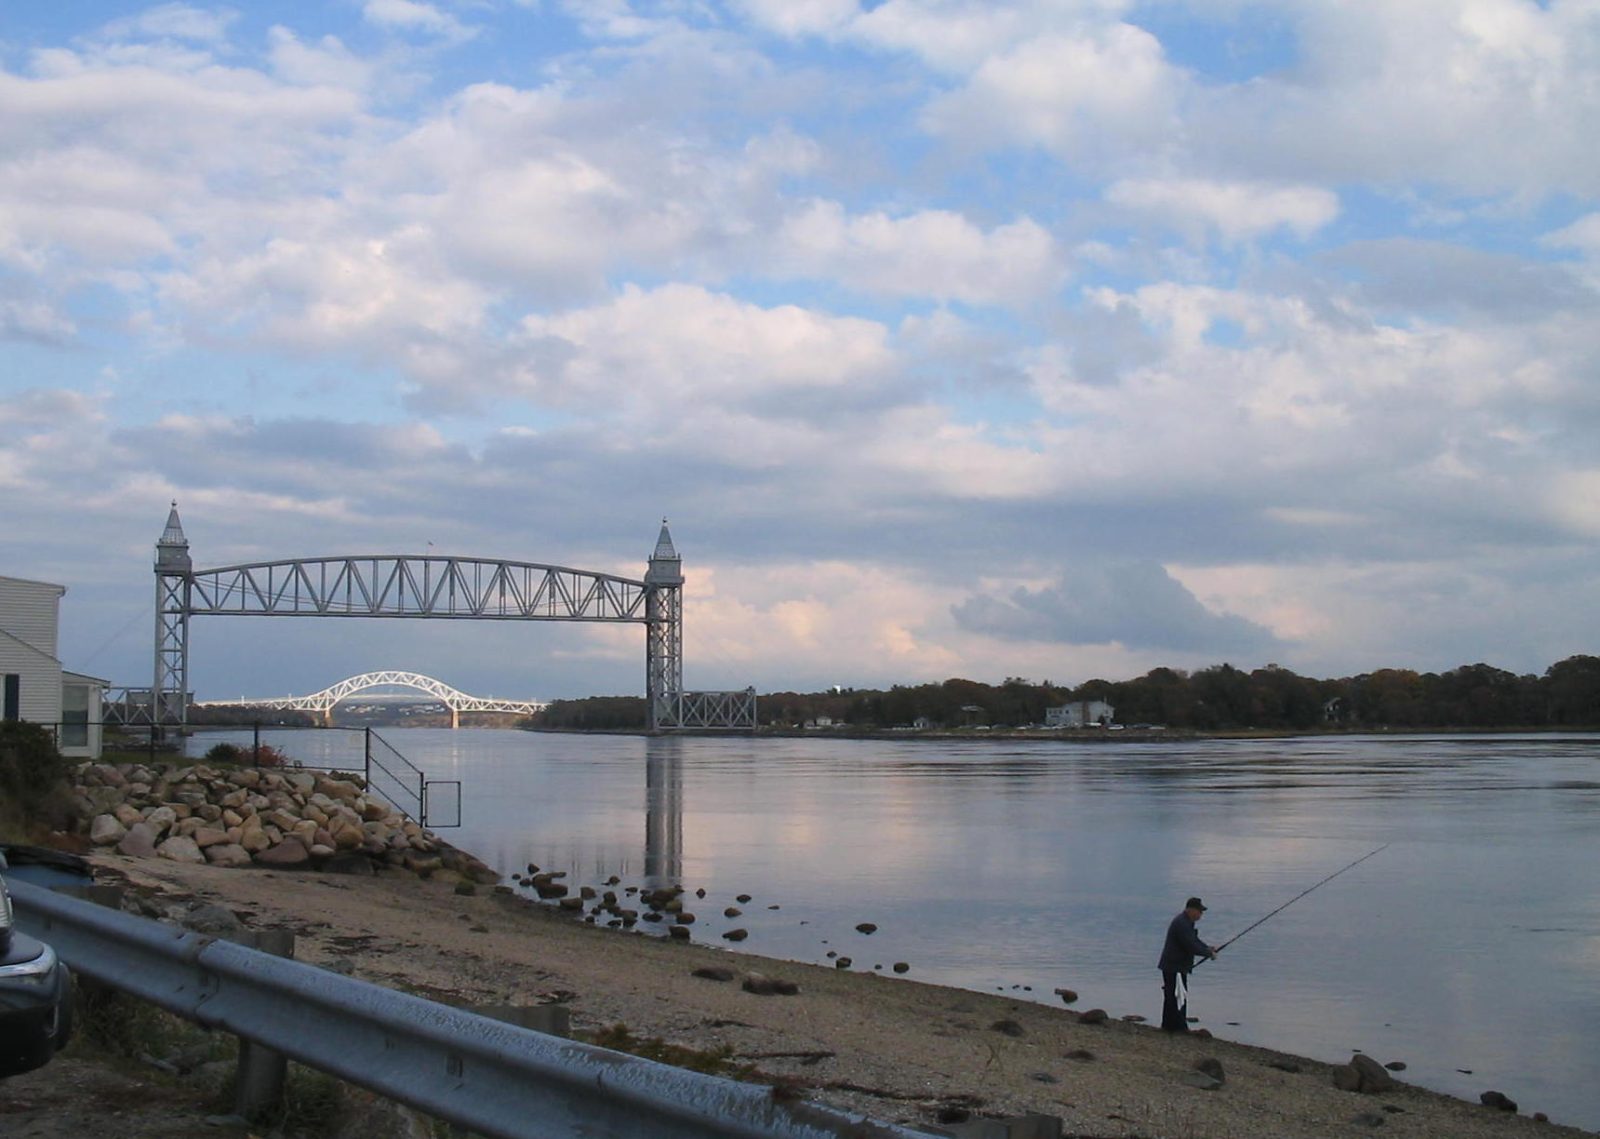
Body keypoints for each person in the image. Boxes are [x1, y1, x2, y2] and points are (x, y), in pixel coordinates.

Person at [1159, 896, 1218, 1032]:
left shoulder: (1186, 923)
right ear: (1191, 910)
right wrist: (1208, 954)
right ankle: (1178, 1026)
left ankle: (1169, 1025)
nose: (1200, 915)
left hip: (1176, 966)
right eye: (1199, 911)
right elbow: (1191, 946)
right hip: (1174, 967)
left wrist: (1208, 948)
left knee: (1174, 995)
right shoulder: (1182, 924)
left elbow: (1195, 940)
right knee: (1178, 996)